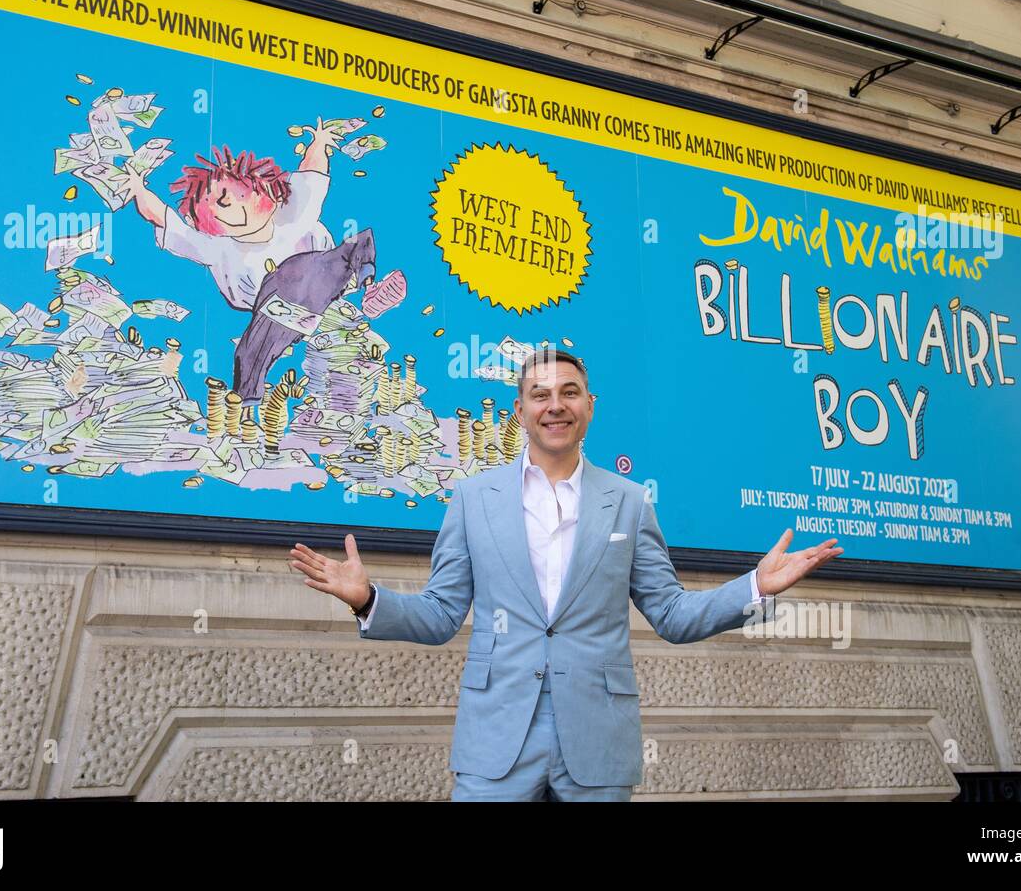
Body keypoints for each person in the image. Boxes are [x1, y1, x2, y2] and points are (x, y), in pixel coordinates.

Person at [288, 349, 843, 801]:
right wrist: (368, 600)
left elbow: (672, 615)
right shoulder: (473, 499)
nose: (555, 406)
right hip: (496, 739)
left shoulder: (630, 503)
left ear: (590, 406)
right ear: (520, 411)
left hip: (598, 742)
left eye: (568, 393)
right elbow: (439, 616)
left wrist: (754, 587)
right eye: (540, 395)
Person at [122, 118, 378, 404]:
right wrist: (138, 190)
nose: (238, 203)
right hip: (271, 307)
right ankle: (246, 398)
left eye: (244, 193)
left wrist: (318, 143)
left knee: (358, 241)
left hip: (323, 277)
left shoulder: (293, 214)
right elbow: (166, 219)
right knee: (249, 351)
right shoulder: (217, 247)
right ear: (211, 223)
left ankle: (363, 281)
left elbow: (311, 173)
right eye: (221, 203)